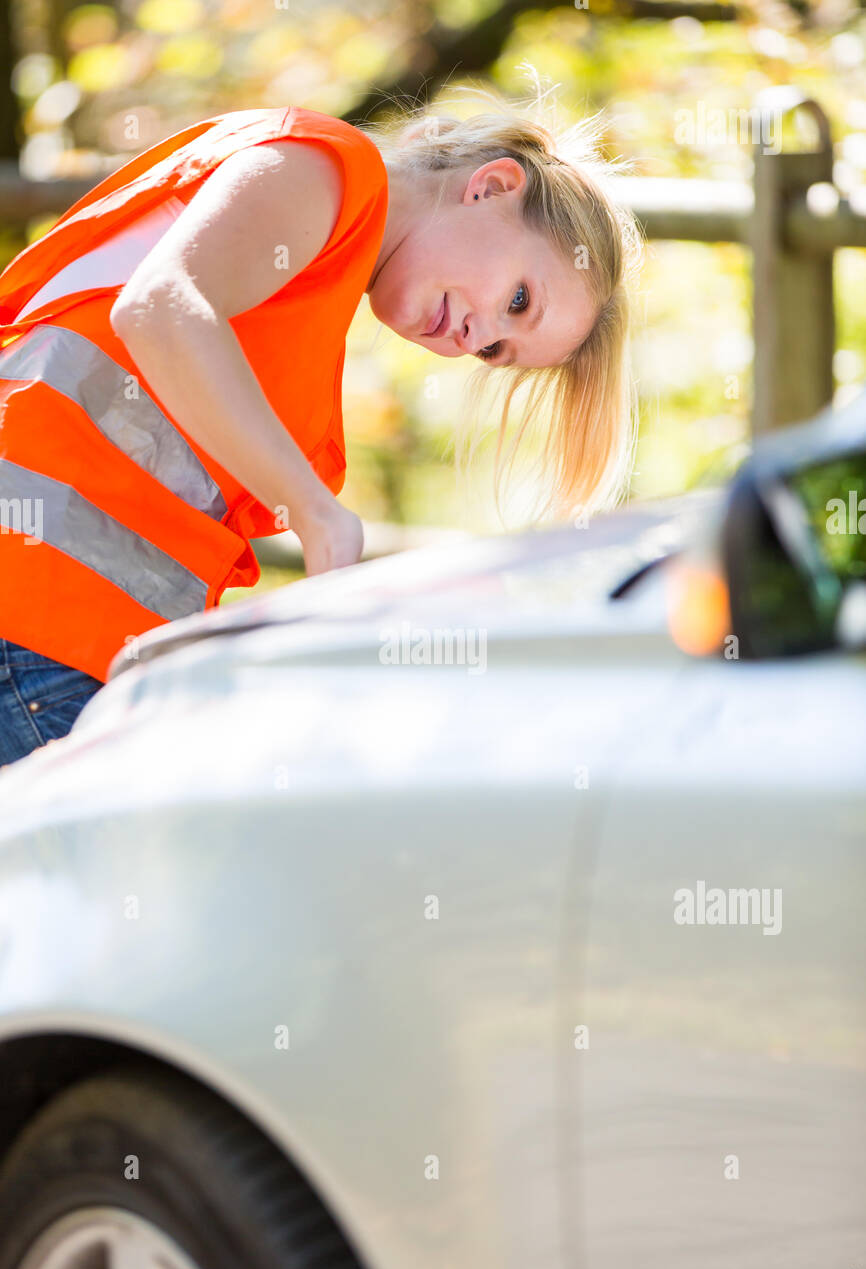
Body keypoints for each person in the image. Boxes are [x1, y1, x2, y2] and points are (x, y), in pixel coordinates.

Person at [0, 90, 638, 770]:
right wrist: (313, 512)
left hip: (72, 653)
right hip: (35, 633)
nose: (479, 334)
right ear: (493, 187)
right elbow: (160, 310)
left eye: (495, 351)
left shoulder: (307, 312)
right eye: (519, 300)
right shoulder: (329, 167)